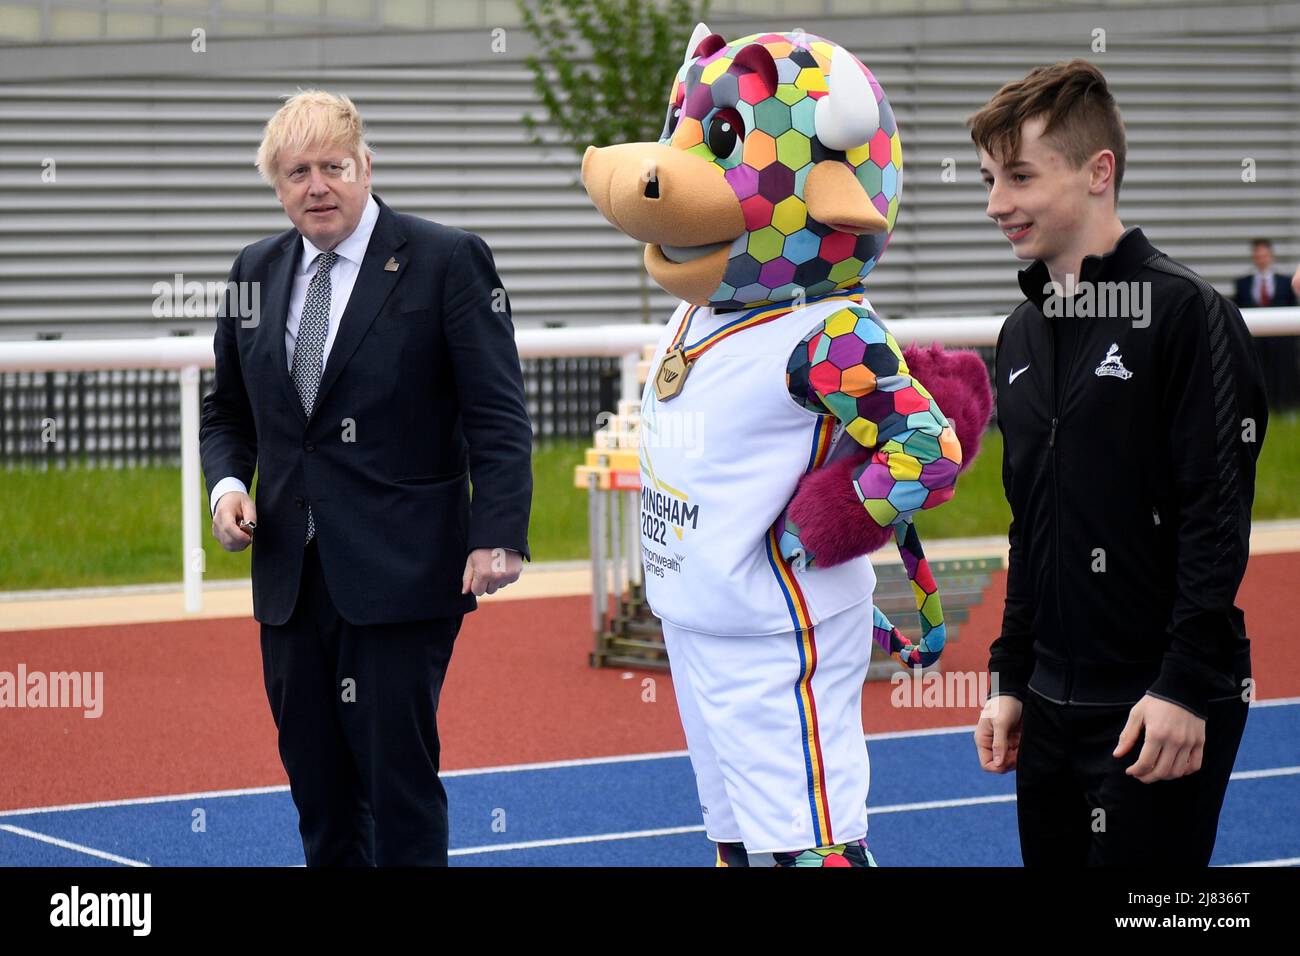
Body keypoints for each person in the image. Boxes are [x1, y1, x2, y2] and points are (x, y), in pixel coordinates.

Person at [200, 90, 533, 866]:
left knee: (397, 789)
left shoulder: (448, 259)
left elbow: (498, 414)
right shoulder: (253, 271)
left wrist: (499, 536)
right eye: (295, 173)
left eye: (332, 167)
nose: (316, 186)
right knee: (317, 790)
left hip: (403, 572)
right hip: (289, 579)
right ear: (276, 186)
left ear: (366, 166)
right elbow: (228, 414)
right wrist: (227, 488)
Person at [967, 60, 1268, 866]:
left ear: (1099, 172)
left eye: (1021, 176)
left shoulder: (1186, 313)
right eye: (992, 179)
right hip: (1048, 703)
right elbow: (1031, 524)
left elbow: (1216, 517)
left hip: (1158, 701)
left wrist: (1181, 684)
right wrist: (1007, 676)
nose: (997, 203)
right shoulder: (1019, 336)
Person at [1232, 238, 1298, 407]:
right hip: (1254, 341)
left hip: (1282, 341)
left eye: (1264, 255)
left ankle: (1284, 406)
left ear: (1271, 256)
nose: (1261, 259)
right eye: (1258, 256)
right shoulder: (1242, 283)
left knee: (1282, 373)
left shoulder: (1285, 282)